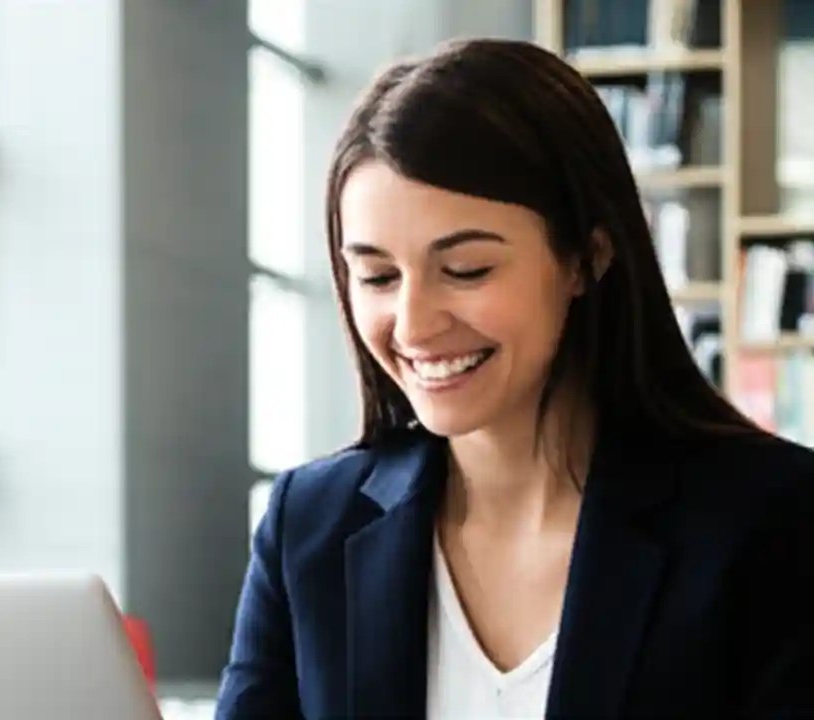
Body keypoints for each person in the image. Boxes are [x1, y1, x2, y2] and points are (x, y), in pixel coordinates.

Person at [216, 38, 814, 719]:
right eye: (378, 277)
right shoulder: (310, 526)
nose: (412, 325)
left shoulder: (770, 521)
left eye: (466, 269)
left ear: (586, 258)